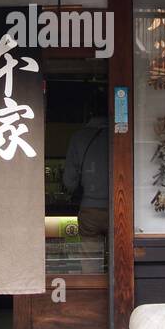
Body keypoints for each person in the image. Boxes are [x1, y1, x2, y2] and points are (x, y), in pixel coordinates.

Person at [63, 95, 109, 239]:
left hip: (90, 208)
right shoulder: (120, 135)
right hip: (119, 207)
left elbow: (69, 181)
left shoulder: (79, 137)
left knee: (91, 256)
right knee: (120, 252)